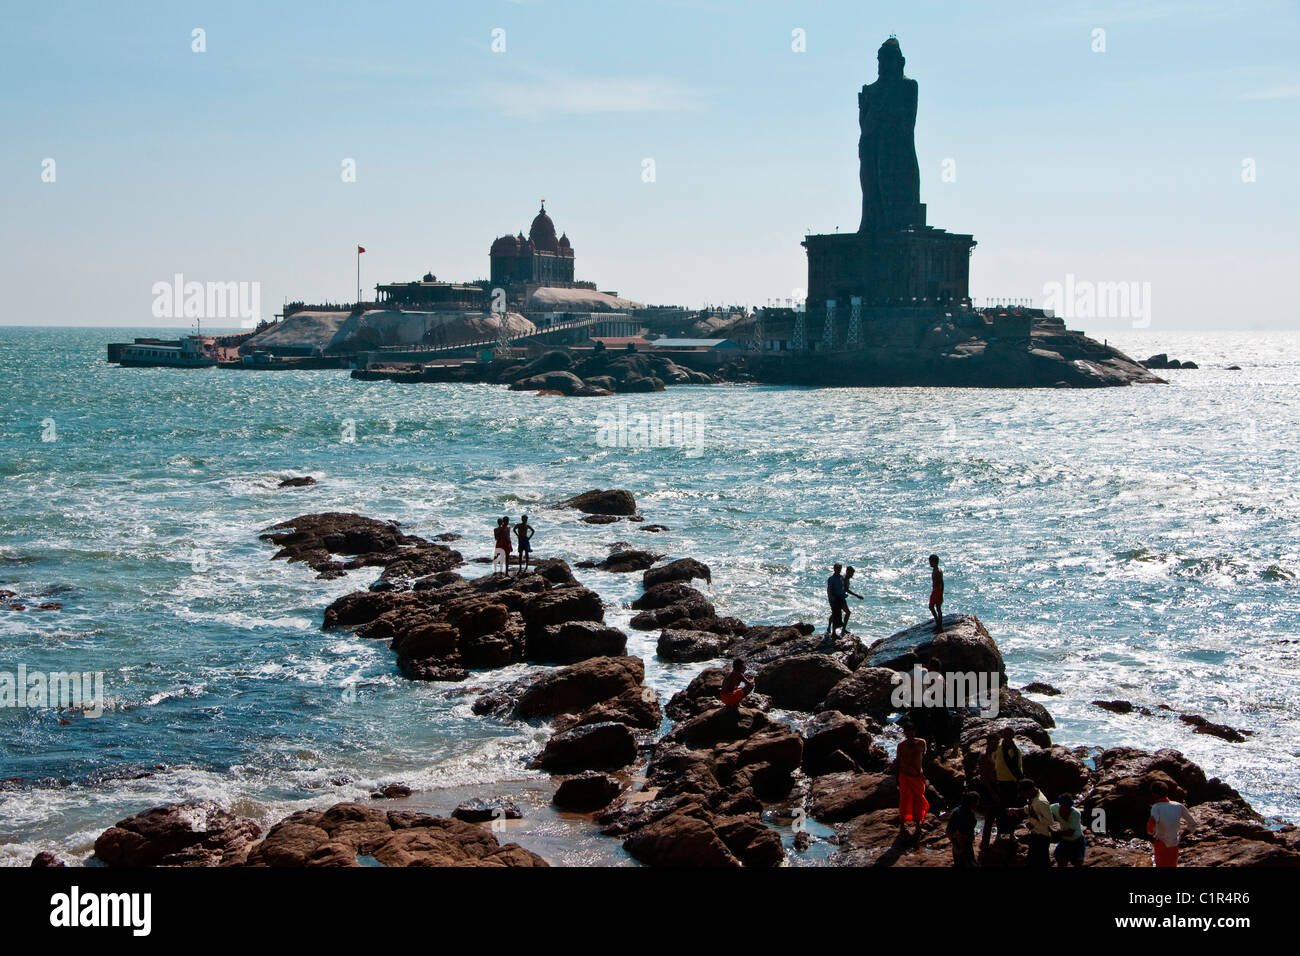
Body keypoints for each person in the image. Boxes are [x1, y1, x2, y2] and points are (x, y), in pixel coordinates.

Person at [894, 720, 929, 842]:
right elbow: (898, 762)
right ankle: (902, 823)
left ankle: (918, 823)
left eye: (911, 732)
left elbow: (924, 758)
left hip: (917, 776)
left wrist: (923, 774)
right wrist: (897, 778)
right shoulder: (901, 745)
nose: (910, 735)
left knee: (918, 799)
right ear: (904, 733)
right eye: (907, 733)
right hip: (904, 775)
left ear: (915, 732)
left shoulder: (921, 743)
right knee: (904, 799)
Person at [1147, 781, 1197, 867]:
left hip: (1160, 843)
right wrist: (1183, 834)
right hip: (1174, 844)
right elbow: (1193, 823)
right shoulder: (1178, 806)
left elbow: (1151, 826)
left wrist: (1151, 835)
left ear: (1154, 795)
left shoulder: (1156, 807)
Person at [992, 728, 1024, 838]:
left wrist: (1020, 781)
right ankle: (1000, 832)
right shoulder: (998, 747)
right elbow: (993, 761)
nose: (1007, 736)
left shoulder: (1016, 750)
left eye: (1010, 734)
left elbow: (1019, 767)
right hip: (1000, 781)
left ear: (1013, 736)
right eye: (1005, 734)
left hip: (1012, 782)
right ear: (1002, 735)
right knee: (1001, 808)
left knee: (1012, 808)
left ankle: (1011, 832)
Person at [1018, 778, 1053, 867]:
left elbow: (1050, 821)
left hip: (1042, 836)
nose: (1022, 795)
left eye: (1023, 793)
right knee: (1032, 861)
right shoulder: (1033, 797)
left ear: (1029, 790)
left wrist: (1036, 817)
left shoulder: (1041, 802)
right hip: (1035, 833)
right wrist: (1017, 810)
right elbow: (1032, 808)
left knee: (1042, 861)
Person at [975, 733, 1001, 852]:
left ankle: (991, 841)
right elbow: (984, 778)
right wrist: (993, 793)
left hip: (993, 786)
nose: (995, 744)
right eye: (993, 742)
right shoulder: (984, 756)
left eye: (997, 742)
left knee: (994, 816)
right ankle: (984, 844)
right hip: (987, 789)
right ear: (988, 742)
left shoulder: (992, 754)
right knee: (989, 817)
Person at [946, 790, 981, 867]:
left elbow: (948, 830)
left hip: (956, 845)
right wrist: (961, 848)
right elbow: (961, 834)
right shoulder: (969, 815)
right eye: (977, 802)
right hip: (964, 847)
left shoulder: (955, 811)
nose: (978, 804)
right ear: (972, 803)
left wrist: (954, 845)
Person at [1051, 793, 1087, 866]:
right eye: (1065, 806)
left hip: (1077, 840)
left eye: (1069, 806)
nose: (1067, 808)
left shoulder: (1075, 813)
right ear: (1060, 805)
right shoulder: (1054, 808)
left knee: (1078, 862)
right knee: (1060, 860)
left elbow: (1070, 833)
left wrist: (1055, 832)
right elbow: (1044, 810)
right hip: (1065, 840)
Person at [826, 563, 848, 638]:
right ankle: (833, 633)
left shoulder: (841, 577)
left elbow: (843, 587)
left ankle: (841, 629)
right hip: (834, 599)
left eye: (840, 568)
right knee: (836, 615)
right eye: (837, 568)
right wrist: (831, 599)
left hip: (841, 598)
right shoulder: (831, 578)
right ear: (834, 569)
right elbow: (829, 590)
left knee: (839, 614)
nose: (839, 570)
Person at [842, 566, 863, 633]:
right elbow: (846, 589)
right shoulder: (844, 578)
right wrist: (857, 595)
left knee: (837, 613)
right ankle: (843, 629)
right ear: (848, 572)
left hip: (841, 598)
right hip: (839, 598)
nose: (852, 575)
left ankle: (842, 629)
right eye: (851, 573)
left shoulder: (846, 578)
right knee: (847, 613)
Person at [928, 553, 944, 633]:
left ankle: (940, 627)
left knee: (937, 608)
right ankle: (938, 624)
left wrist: (941, 594)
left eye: (930, 562)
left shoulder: (938, 571)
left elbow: (941, 583)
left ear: (935, 562)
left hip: (937, 591)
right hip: (934, 590)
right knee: (932, 607)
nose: (929, 563)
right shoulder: (934, 570)